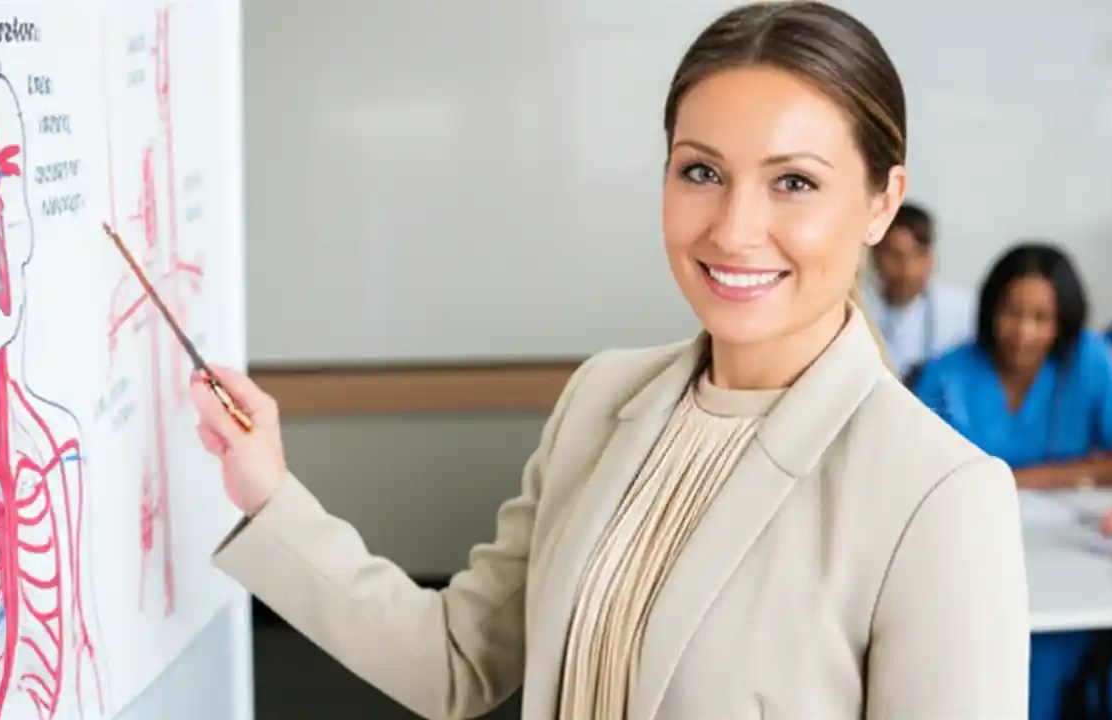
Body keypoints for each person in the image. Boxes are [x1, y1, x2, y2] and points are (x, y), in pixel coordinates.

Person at [192, 3, 1029, 719]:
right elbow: (454, 661)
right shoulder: (602, 399)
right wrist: (268, 492)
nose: (734, 229)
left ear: (882, 202)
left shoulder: (940, 495)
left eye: (794, 183)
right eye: (701, 171)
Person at [913, 242, 1112, 490]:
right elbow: (914, 467)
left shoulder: (1089, 357)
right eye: (1011, 313)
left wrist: (1022, 481)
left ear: (1062, 321)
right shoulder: (946, 375)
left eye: (1041, 318)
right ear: (991, 311)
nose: (1023, 332)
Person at [863, 201, 976, 382]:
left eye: (920, 254)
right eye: (895, 255)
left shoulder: (963, 312)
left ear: (931, 256)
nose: (908, 269)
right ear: (875, 254)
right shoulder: (856, 309)